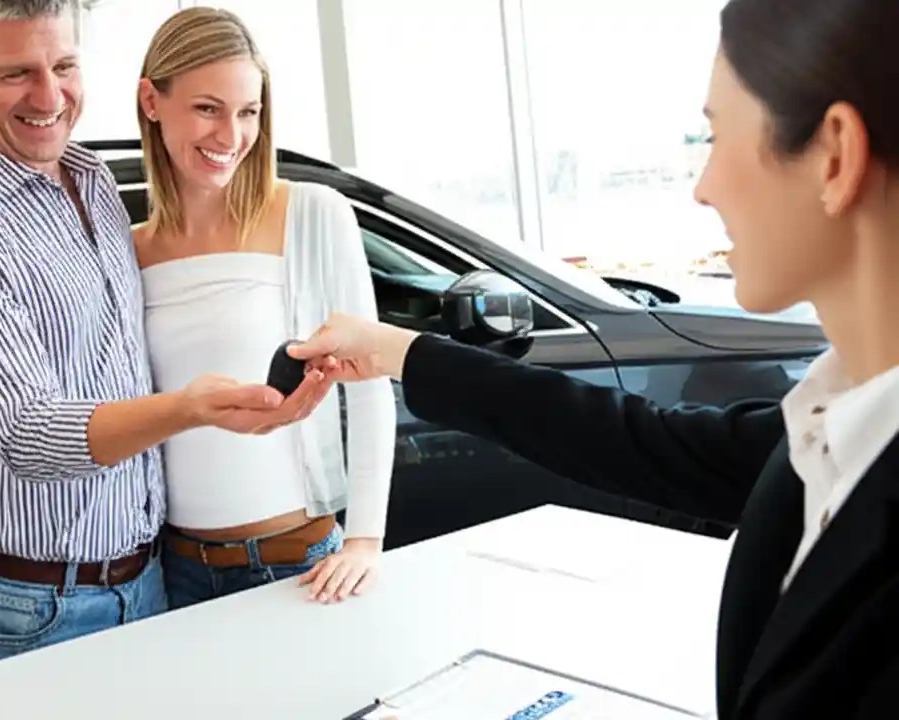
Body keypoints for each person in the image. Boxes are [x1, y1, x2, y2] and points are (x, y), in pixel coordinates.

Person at [289, 0, 899, 717]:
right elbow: (637, 439)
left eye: (716, 136)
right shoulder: (826, 432)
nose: (703, 187)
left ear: (834, 156)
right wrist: (401, 351)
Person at [0, 0, 332, 676]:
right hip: (27, 609)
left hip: (148, 587)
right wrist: (187, 409)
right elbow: (28, 434)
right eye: (17, 73)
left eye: (64, 64)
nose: (49, 96)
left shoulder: (91, 180)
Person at [130, 7, 396, 609]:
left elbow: (370, 383)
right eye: (207, 108)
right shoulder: (129, 251)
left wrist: (364, 540)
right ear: (152, 101)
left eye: (248, 112)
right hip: (172, 574)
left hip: (297, 564)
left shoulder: (313, 213)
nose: (230, 137)